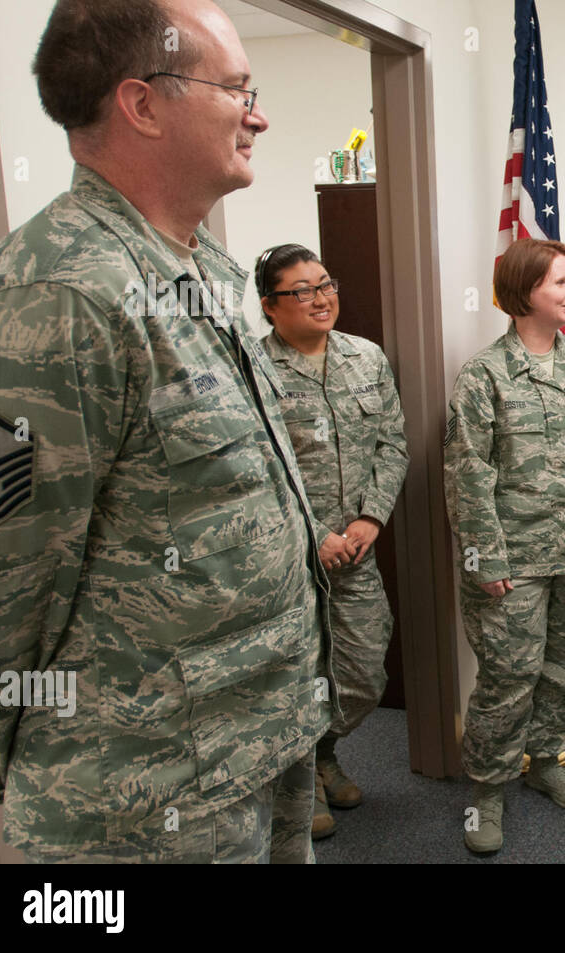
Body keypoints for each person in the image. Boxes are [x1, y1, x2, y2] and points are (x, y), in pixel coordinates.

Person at [0, 0, 335, 862]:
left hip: (257, 732)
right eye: (236, 88)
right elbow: (1, 578)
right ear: (142, 104)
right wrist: (11, 760)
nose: (259, 113)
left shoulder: (194, 264)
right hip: (146, 787)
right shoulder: (62, 296)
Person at [444, 238, 565, 854]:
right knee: (508, 674)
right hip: (516, 561)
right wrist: (485, 556)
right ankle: (487, 787)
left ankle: (545, 758)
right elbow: (466, 472)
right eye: (560, 281)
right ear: (525, 290)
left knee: (564, 667)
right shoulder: (484, 375)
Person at [256, 244, 409, 840]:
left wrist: (370, 520)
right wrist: (313, 535)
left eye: (326, 284)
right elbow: (257, 468)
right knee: (292, 674)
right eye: (302, 290)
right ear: (271, 307)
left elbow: (392, 444)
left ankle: (321, 752)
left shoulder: (365, 358)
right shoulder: (256, 368)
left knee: (365, 672)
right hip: (287, 556)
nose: (321, 299)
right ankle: (304, 780)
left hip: (354, 551)